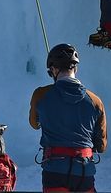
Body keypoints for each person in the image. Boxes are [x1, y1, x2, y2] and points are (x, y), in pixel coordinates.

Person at [29, 44, 106, 193]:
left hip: (55, 169)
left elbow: (34, 123)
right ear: (75, 69)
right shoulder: (95, 100)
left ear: (53, 70)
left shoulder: (41, 95)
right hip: (84, 170)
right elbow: (101, 146)